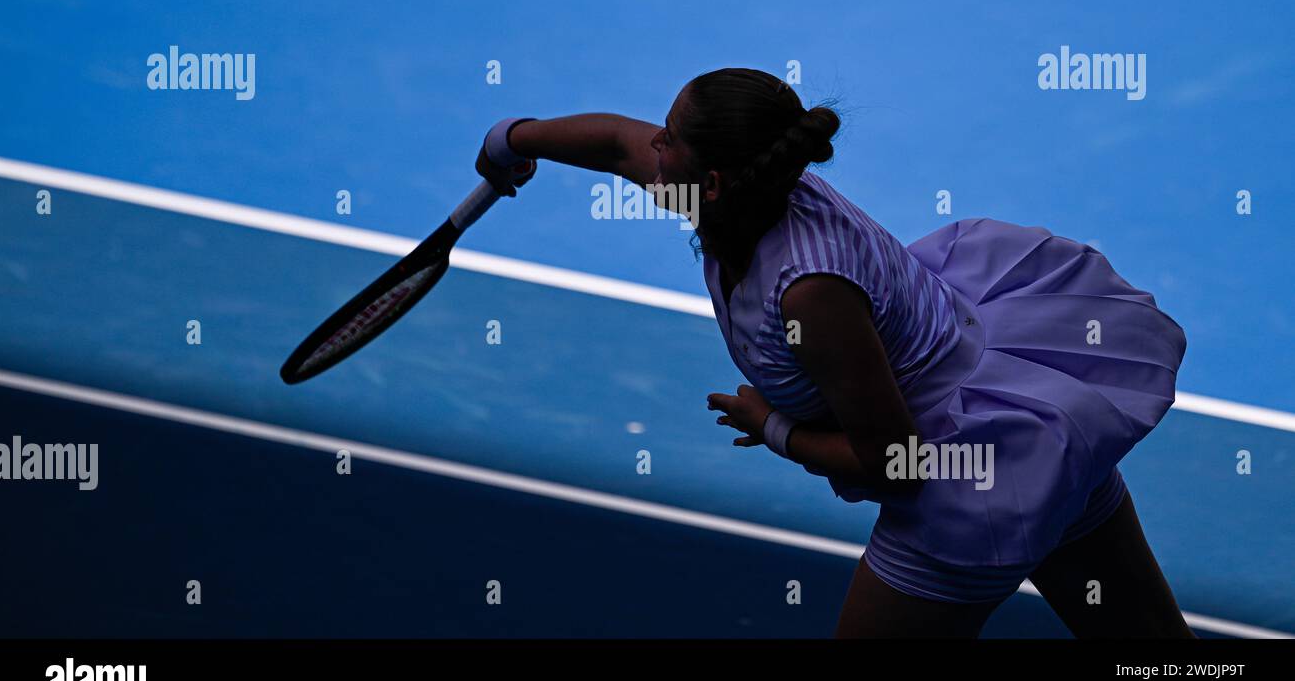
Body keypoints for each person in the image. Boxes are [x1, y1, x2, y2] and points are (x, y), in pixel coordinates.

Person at [475, 67, 1194, 638]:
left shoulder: (809, 295)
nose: (650, 151)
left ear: (713, 182)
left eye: (668, 142)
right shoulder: (743, 186)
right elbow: (611, 142)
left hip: (965, 477)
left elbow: (896, 463)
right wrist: (512, 140)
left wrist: (774, 427)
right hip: (1033, 426)